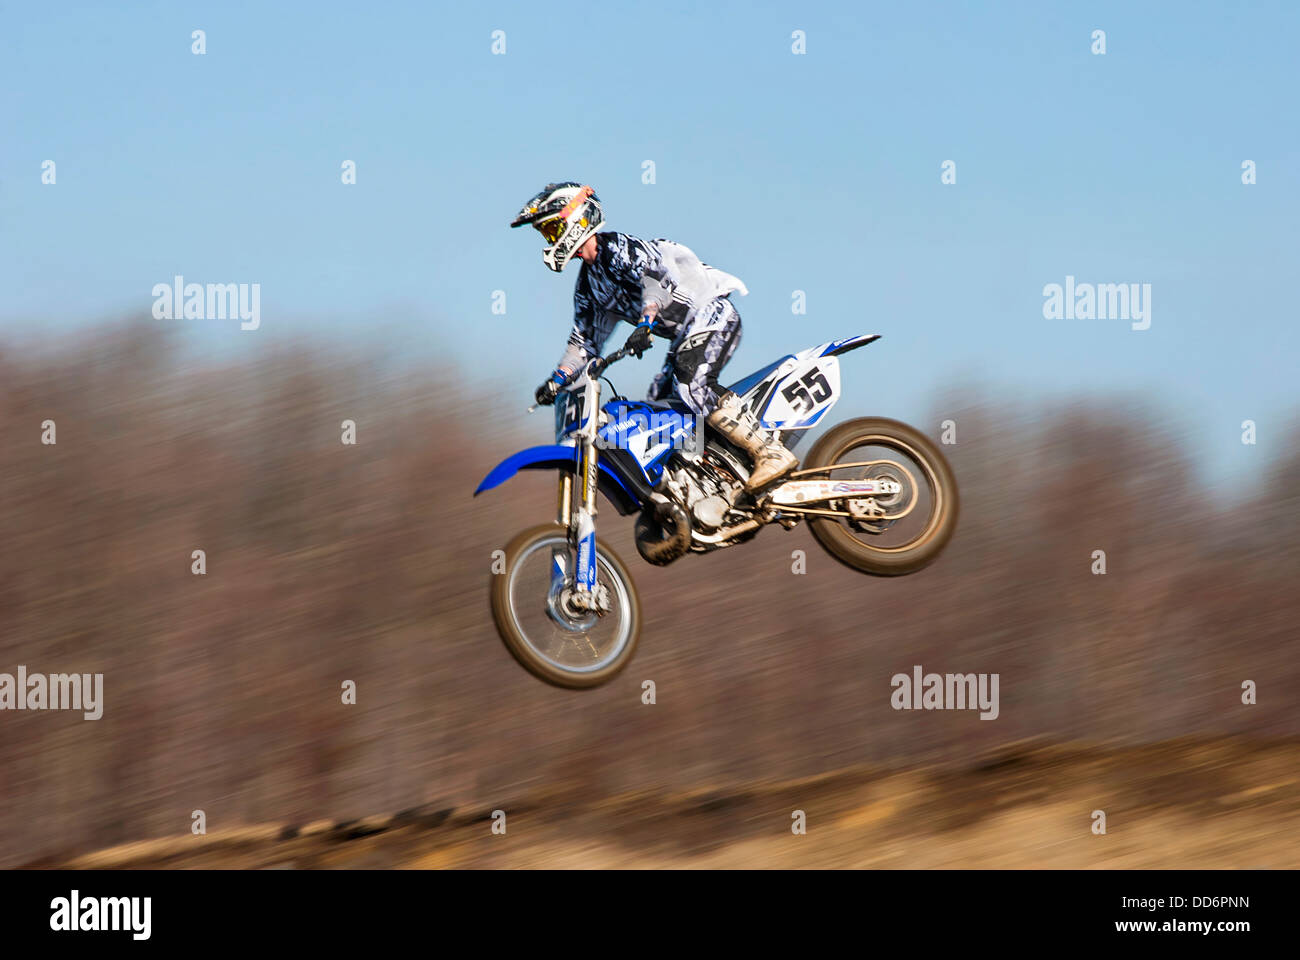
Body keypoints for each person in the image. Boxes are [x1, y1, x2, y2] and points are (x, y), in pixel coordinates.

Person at [510, 181, 797, 491]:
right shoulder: (588, 285)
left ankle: (770, 452)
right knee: (657, 411)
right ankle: (710, 483)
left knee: (691, 384)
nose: (550, 239)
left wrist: (645, 323)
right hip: (683, 337)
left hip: (710, 313)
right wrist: (557, 380)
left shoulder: (618, 247)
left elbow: (656, 280)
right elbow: (584, 343)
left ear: (576, 218)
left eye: (552, 230)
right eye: (547, 234)